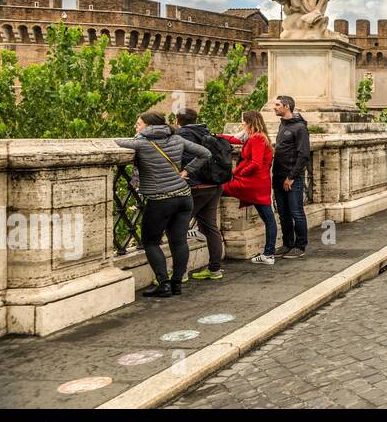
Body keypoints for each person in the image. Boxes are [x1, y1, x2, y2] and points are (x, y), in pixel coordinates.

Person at [116, 111, 212, 297]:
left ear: (148, 126)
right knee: (179, 241)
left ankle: (164, 283)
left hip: (160, 199)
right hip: (184, 196)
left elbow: (113, 143)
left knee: (150, 242)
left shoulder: (141, 143)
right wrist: (186, 171)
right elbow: (205, 153)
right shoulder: (176, 138)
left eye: (138, 124)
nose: (136, 127)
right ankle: (177, 283)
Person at [175, 107, 231, 281]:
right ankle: (214, 269)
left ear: (178, 121)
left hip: (195, 186)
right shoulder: (206, 132)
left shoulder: (181, 136)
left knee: (178, 228)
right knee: (210, 227)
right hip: (214, 185)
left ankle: (180, 273)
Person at [221, 111, 277, 265]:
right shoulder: (255, 137)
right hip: (259, 183)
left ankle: (269, 253)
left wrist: (237, 174)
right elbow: (234, 139)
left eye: (243, 121)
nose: (241, 123)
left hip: (253, 183)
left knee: (217, 189)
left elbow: (256, 163)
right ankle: (269, 253)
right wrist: (217, 136)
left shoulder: (257, 138)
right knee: (268, 217)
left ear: (250, 122)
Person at [272, 95, 311, 258]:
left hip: (292, 177)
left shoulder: (300, 128)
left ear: (286, 106)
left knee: (296, 212)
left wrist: (291, 177)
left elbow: (303, 155)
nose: (274, 107)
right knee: (283, 212)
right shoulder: (283, 125)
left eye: (277, 105)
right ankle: (287, 244)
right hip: (278, 175)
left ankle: (300, 246)